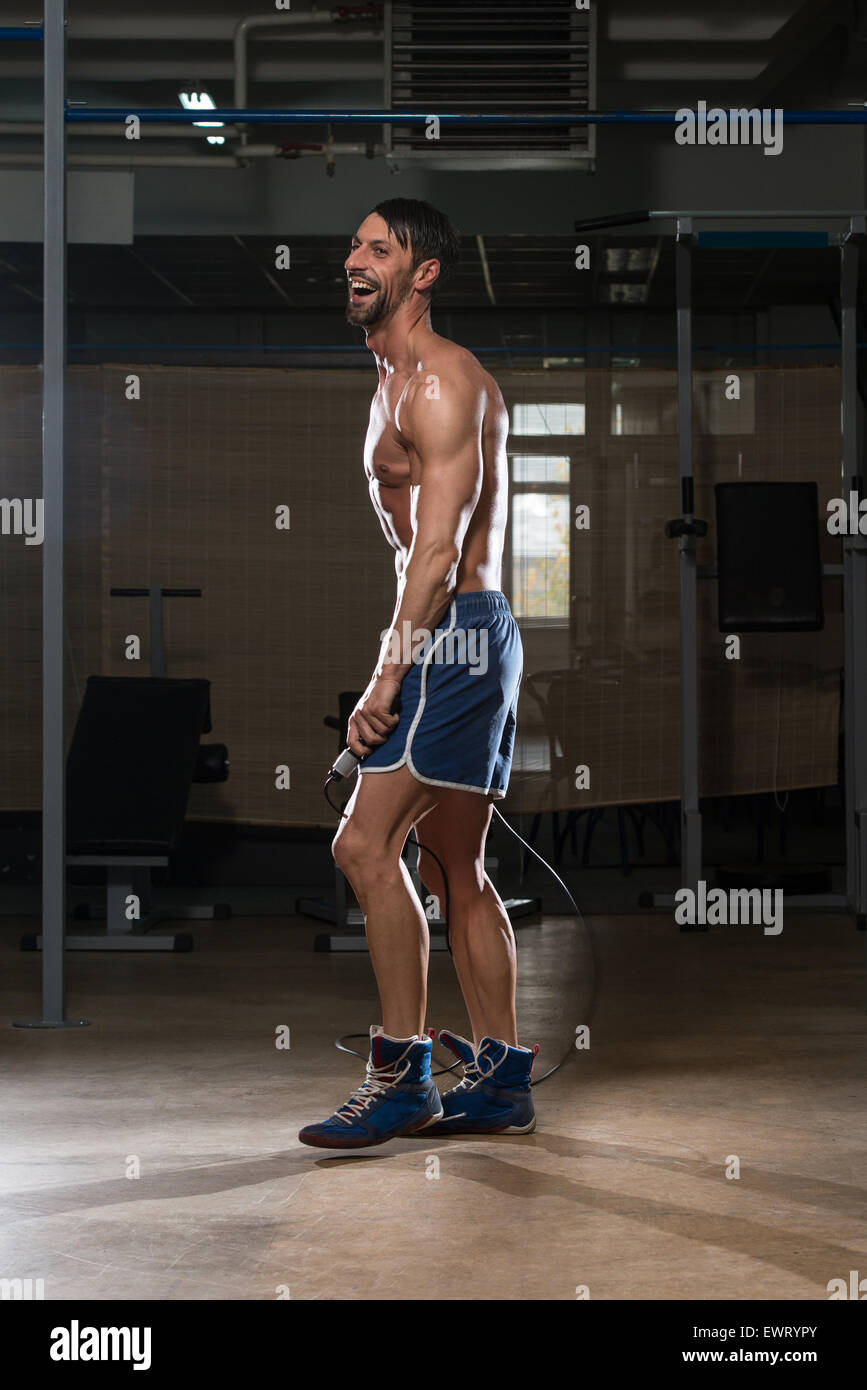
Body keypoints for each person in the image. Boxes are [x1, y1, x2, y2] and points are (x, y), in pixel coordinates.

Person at [298, 198, 535, 1150]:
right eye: (352, 242)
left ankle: (400, 1078)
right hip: (458, 634)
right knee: (453, 866)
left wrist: (385, 680)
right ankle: (504, 1078)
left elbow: (435, 555)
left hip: (454, 636)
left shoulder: (439, 382)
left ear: (424, 272)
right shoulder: (391, 377)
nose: (354, 257)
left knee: (361, 849)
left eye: (378, 247)